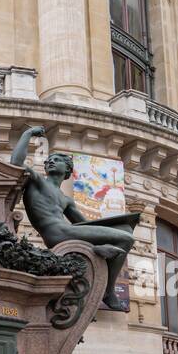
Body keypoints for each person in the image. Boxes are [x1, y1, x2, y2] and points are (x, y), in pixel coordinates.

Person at [10, 126, 140, 311]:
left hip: (69, 231)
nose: (51, 162)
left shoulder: (66, 199)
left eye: (56, 160)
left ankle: (96, 252)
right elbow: (16, 162)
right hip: (56, 233)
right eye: (49, 161)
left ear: (68, 169)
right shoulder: (37, 181)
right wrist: (27, 134)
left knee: (125, 231)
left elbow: (85, 225)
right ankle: (108, 291)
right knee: (126, 238)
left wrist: (124, 222)